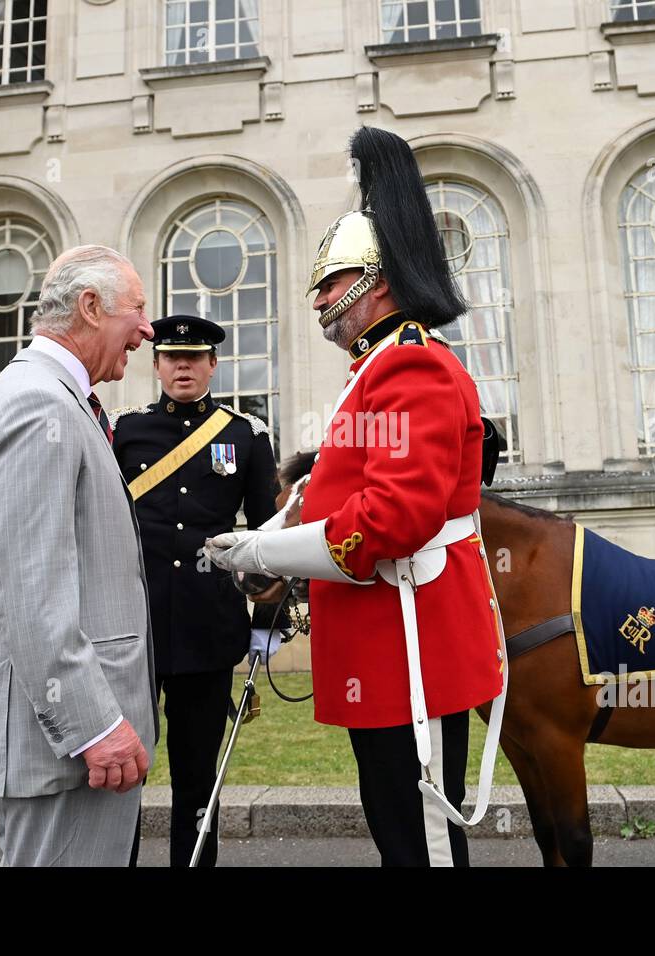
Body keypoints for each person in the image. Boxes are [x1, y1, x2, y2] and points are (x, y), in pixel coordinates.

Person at [205, 127, 506, 866]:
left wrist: (263, 549)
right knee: (394, 824)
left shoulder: (411, 368)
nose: (318, 299)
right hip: (386, 635)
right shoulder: (375, 372)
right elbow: (337, 488)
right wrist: (283, 520)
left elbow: (393, 520)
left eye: (330, 282)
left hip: (413, 637)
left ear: (375, 283)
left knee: (422, 840)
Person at [0, 244, 160, 867]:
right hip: (61, 744)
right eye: (137, 309)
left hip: (65, 741)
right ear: (90, 307)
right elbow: (30, 592)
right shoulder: (40, 404)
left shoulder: (58, 396)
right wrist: (91, 725)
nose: (147, 328)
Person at [110, 314, 281, 867]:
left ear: (212, 364)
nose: (182, 366)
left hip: (209, 629)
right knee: (122, 774)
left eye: (195, 357)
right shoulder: (124, 431)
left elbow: (265, 536)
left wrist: (264, 623)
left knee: (198, 779)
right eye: (171, 358)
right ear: (156, 364)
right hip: (135, 628)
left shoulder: (244, 435)